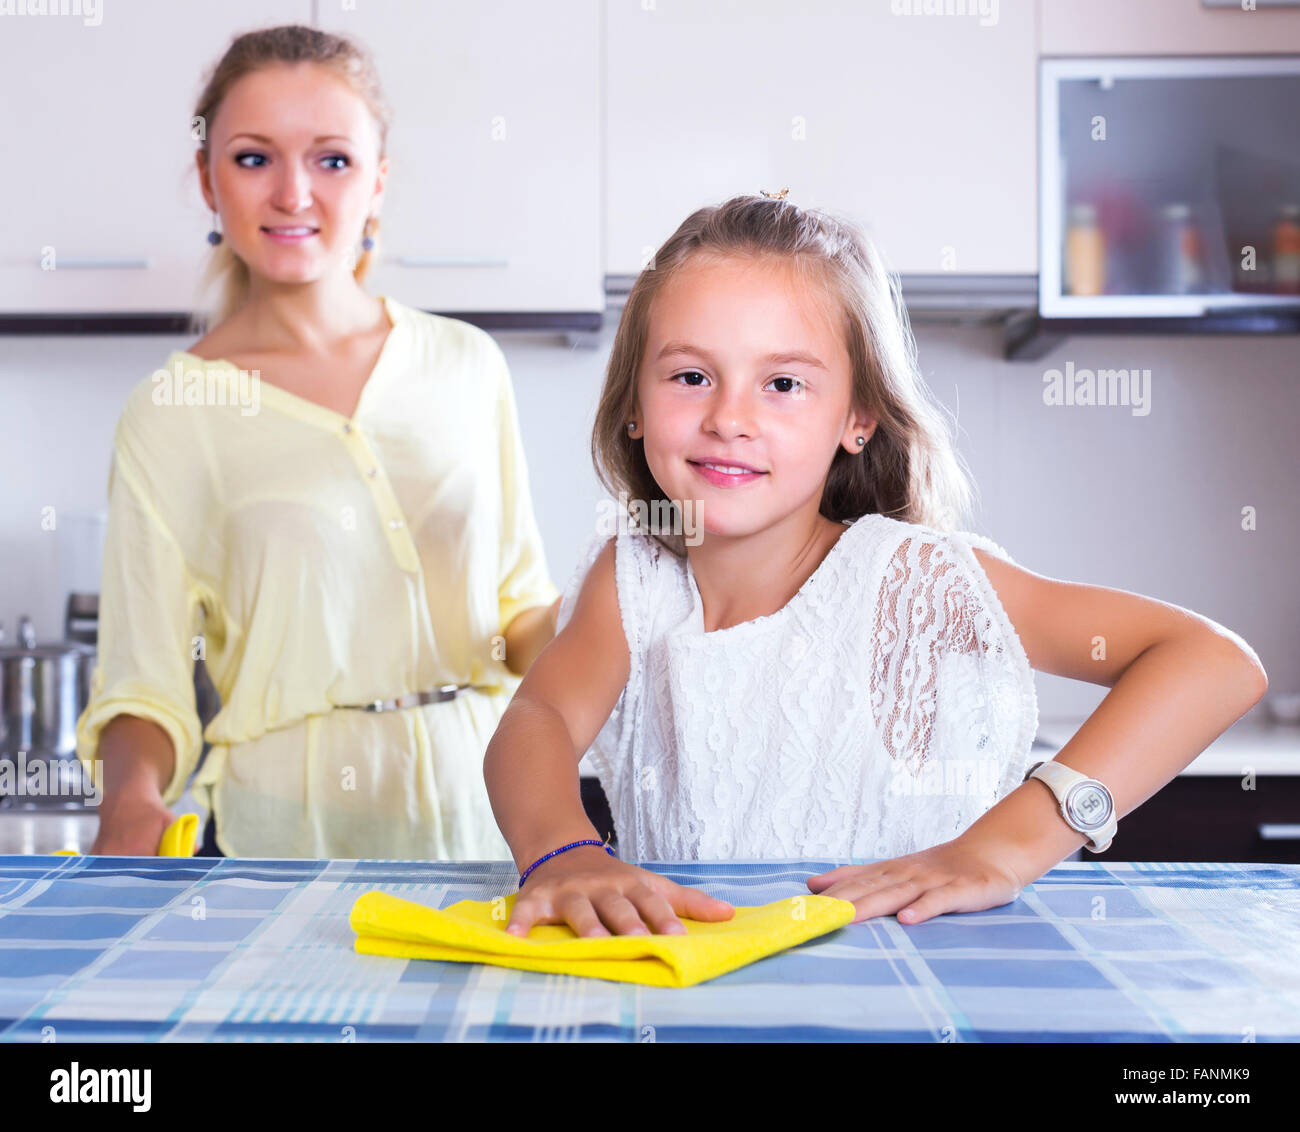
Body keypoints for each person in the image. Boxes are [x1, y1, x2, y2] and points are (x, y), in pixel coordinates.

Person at [483, 192, 1268, 935]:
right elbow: (538, 721)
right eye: (692, 377)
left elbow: (1214, 662)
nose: (729, 419)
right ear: (633, 403)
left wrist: (1009, 843)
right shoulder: (634, 575)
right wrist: (563, 853)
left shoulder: (913, 578)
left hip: (912, 979)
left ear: (857, 417)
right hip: (697, 989)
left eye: (783, 383)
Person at [76, 25, 560, 859]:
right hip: (283, 831)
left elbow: (519, 615)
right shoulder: (171, 411)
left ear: (378, 181)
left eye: (332, 159)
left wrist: (622, 610)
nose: (293, 194)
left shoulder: (466, 365)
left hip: (482, 805)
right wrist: (131, 798)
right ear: (208, 179)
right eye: (255, 158)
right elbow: (143, 680)